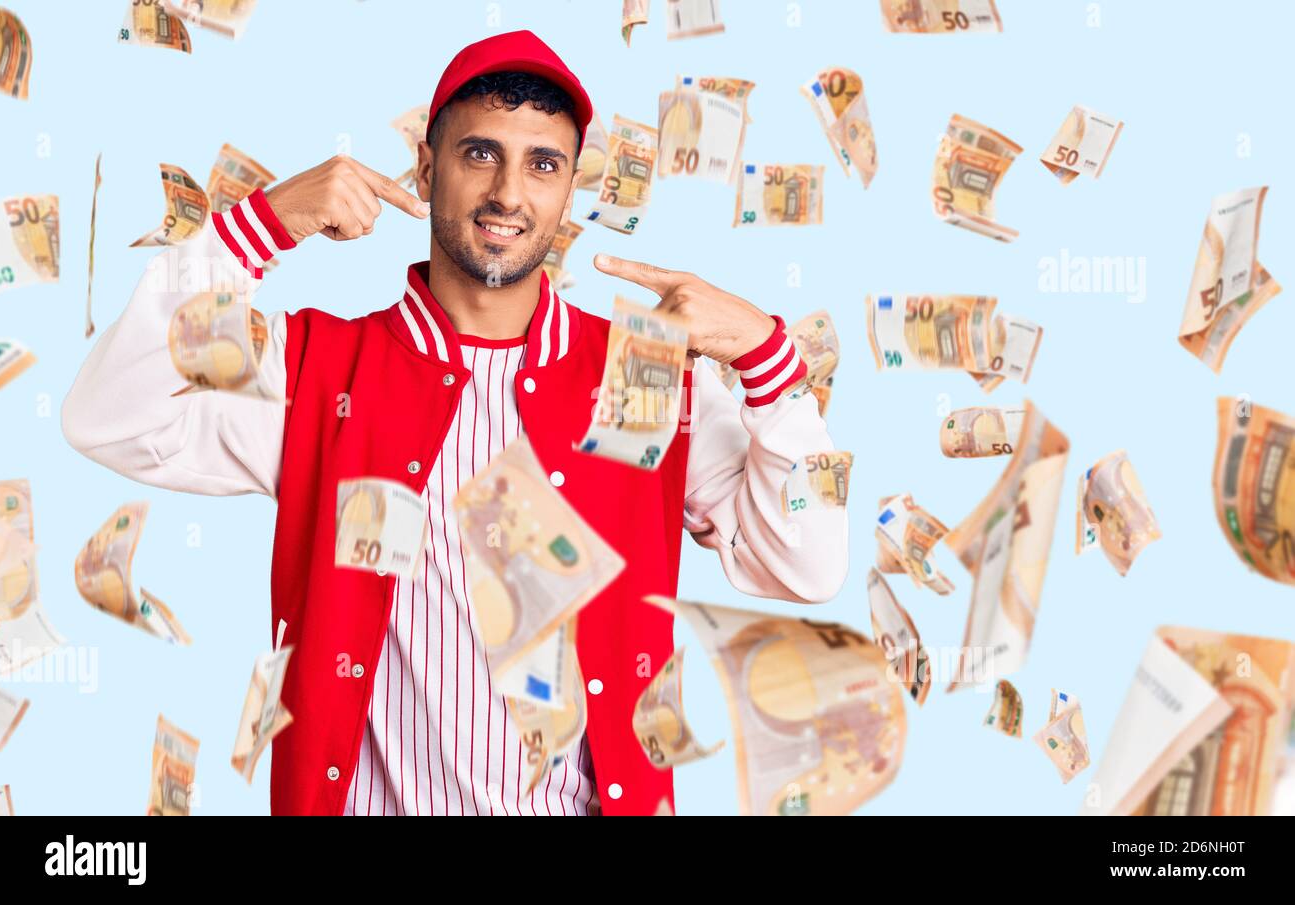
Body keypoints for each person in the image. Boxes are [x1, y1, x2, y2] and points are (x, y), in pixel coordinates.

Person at [61, 30, 848, 815]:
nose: (509, 192)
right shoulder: (315, 368)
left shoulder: (638, 377)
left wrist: (768, 364)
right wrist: (259, 227)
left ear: (569, 188)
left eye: (543, 164)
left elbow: (807, 567)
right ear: (427, 167)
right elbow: (108, 415)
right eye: (480, 154)